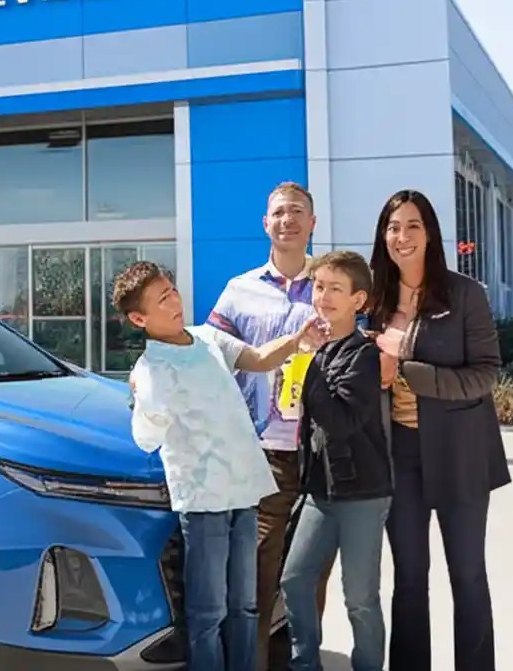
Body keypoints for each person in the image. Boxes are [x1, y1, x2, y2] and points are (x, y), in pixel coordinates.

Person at [116, 261, 323, 671]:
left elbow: (259, 358)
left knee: (245, 604)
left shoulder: (209, 338)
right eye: (162, 299)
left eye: (172, 290)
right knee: (208, 610)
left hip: (243, 487)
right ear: (140, 319)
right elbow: (146, 438)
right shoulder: (149, 370)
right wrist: (145, 400)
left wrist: (298, 340)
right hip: (202, 499)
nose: (175, 301)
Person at [369, 189, 509, 671]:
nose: (402, 236)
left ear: (429, 233)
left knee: (468, 576)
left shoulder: (465, 293)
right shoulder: (375, 298)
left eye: (413, 225)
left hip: (460, 453)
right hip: (399, 455)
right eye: (393, 227)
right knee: (408, 579)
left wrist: (407, 370)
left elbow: (485, 374)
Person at [205, 181, 333, 668]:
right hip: (262, 454)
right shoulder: (239, 290)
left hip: (322, 452)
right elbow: (209, 356)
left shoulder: (331, 286)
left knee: (310, 577)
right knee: (257, 578)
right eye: (279, 212)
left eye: (297, 211)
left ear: (312, 223)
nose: (288, 220)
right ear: (266, 223)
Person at [280, 251, 393, 671]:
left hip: (363, 493)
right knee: (295, 579)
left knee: (360, 597)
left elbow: (341, 421)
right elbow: (298, 409)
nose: (323, 296)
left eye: (335, 289)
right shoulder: (321, 350)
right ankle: (304, 664)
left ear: (358, 300)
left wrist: (306, 364)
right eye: (319, 287)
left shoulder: (364, 355)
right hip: (320, 491)